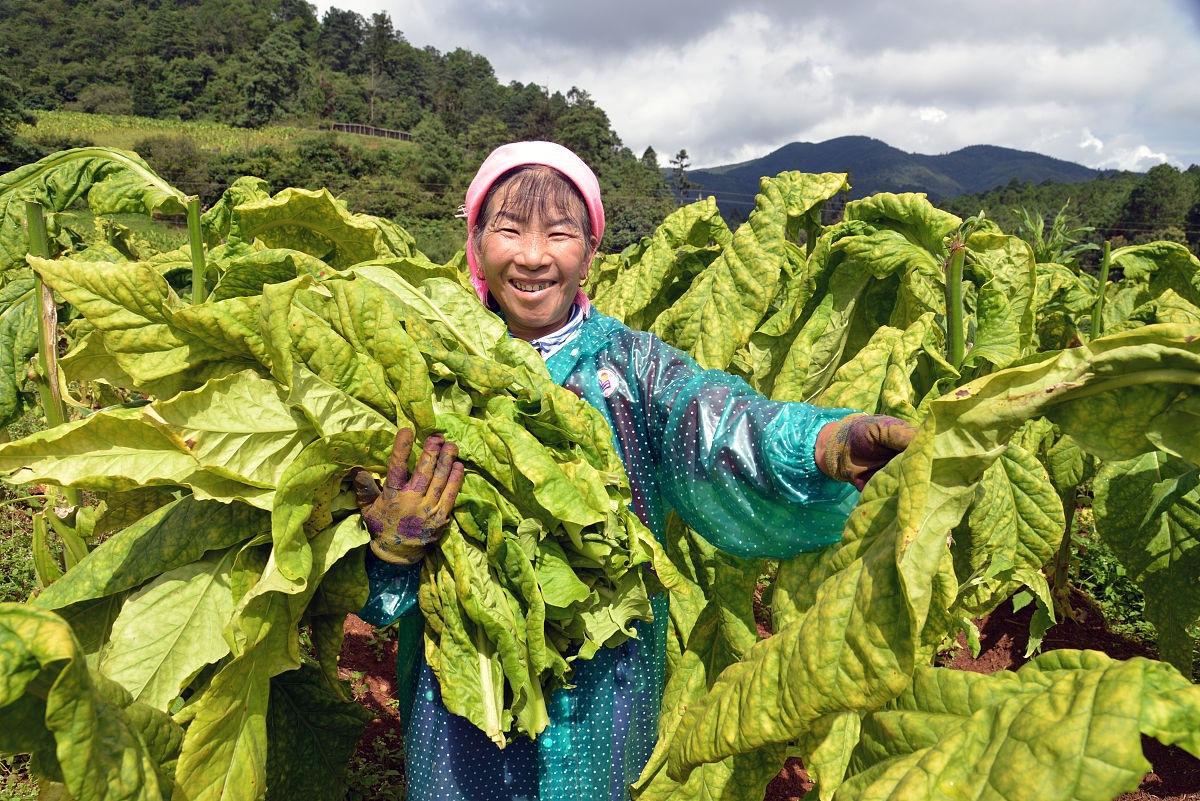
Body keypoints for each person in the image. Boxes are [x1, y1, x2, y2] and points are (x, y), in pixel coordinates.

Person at [350, 141, 915, 801]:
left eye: (558, 233)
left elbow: (721, 424)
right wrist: (390, 546)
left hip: (601, 680)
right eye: (508, 229)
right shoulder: (418, 363)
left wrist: (826, 446)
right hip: (463, 679)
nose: (533, 255)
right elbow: (347, 540)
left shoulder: (634, 368)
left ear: (591, 250)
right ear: (475, 241)